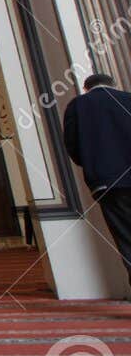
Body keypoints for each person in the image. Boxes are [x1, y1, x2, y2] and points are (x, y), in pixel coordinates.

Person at [63, 72, 131, 289]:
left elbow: (72, 146)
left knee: (126, 239)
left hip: (107, 183)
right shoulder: (127, 98)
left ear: (86, 88)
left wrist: (95, 166)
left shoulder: (78, 106)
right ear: (114, 84)